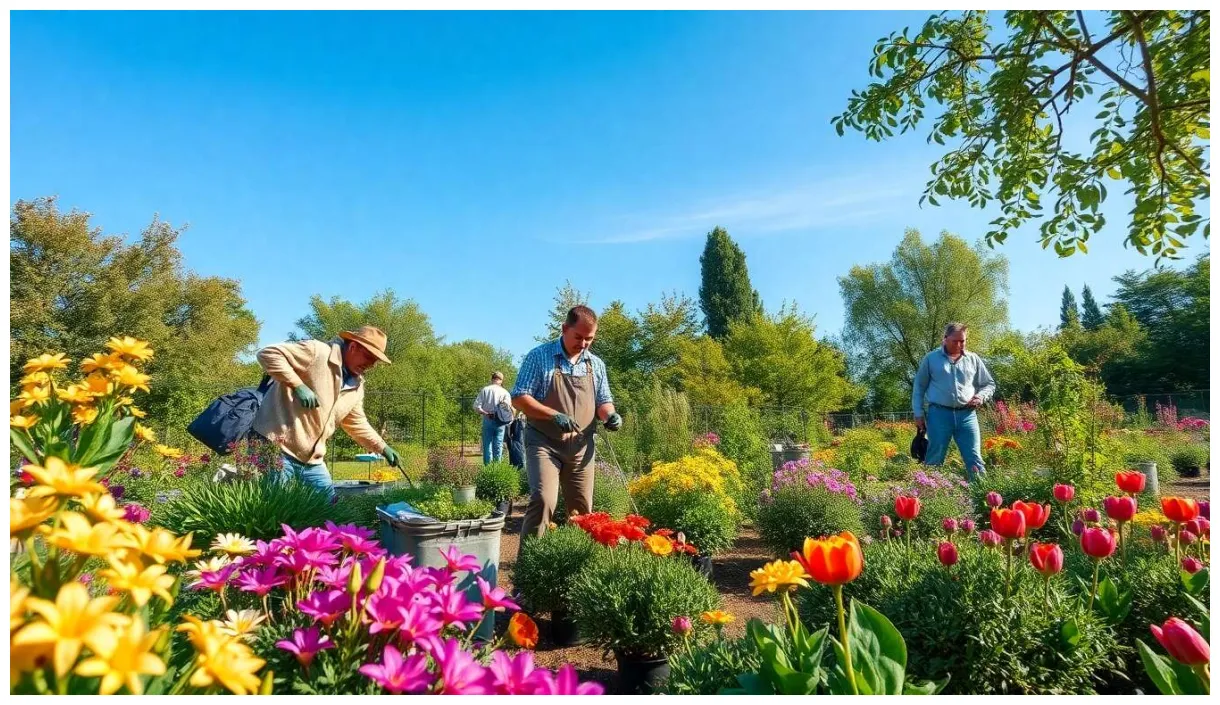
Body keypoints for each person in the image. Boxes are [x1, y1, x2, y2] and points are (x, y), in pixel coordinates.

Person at [252, 325, 403, 499]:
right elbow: (268, 354)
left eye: (375, 361)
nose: (371, 365)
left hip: (312, 460)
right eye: (369, 357)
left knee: (329, 509)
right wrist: (298, 385)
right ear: (353, 347)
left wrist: (382, 447)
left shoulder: (356, 386)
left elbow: (356, 423)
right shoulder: (318, 353)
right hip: (276, 448)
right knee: (276, 510)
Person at [512, 305, 622, 540]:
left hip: (581, 447)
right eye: (578, 337)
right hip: (544, 442)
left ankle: (576, 568)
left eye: (589, 339)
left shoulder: (596, 364)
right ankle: (529, 566)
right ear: (564, 329)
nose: (583, 344)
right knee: (543, 500)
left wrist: (610, 416)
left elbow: (603, 401)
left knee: (582, 511)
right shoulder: (539, 357)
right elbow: (519, 397)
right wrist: (553, 415)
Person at [912, 322, 996, 482]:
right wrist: (918, 413)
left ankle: (983, 501)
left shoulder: (973, 359)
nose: (959, 344)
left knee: (975, 459)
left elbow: (989, 384)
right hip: (939, 415)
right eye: (955, 341)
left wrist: (980, 397)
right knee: (934, 459)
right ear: (945, 339)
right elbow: (919, 387)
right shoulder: (931, 359)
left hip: (967, 416)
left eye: (962, 341)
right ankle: (931, 500)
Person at [474, 371, 513, 465]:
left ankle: (488, 469)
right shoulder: (505, 392)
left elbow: (476, 406)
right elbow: (508, 409)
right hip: (500, 421)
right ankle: (497, 468)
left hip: (488, 418)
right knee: (498, 445)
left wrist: (485, 413)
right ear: (501, 380)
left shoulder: (485, 390)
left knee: (487, 445)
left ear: (492, 379)